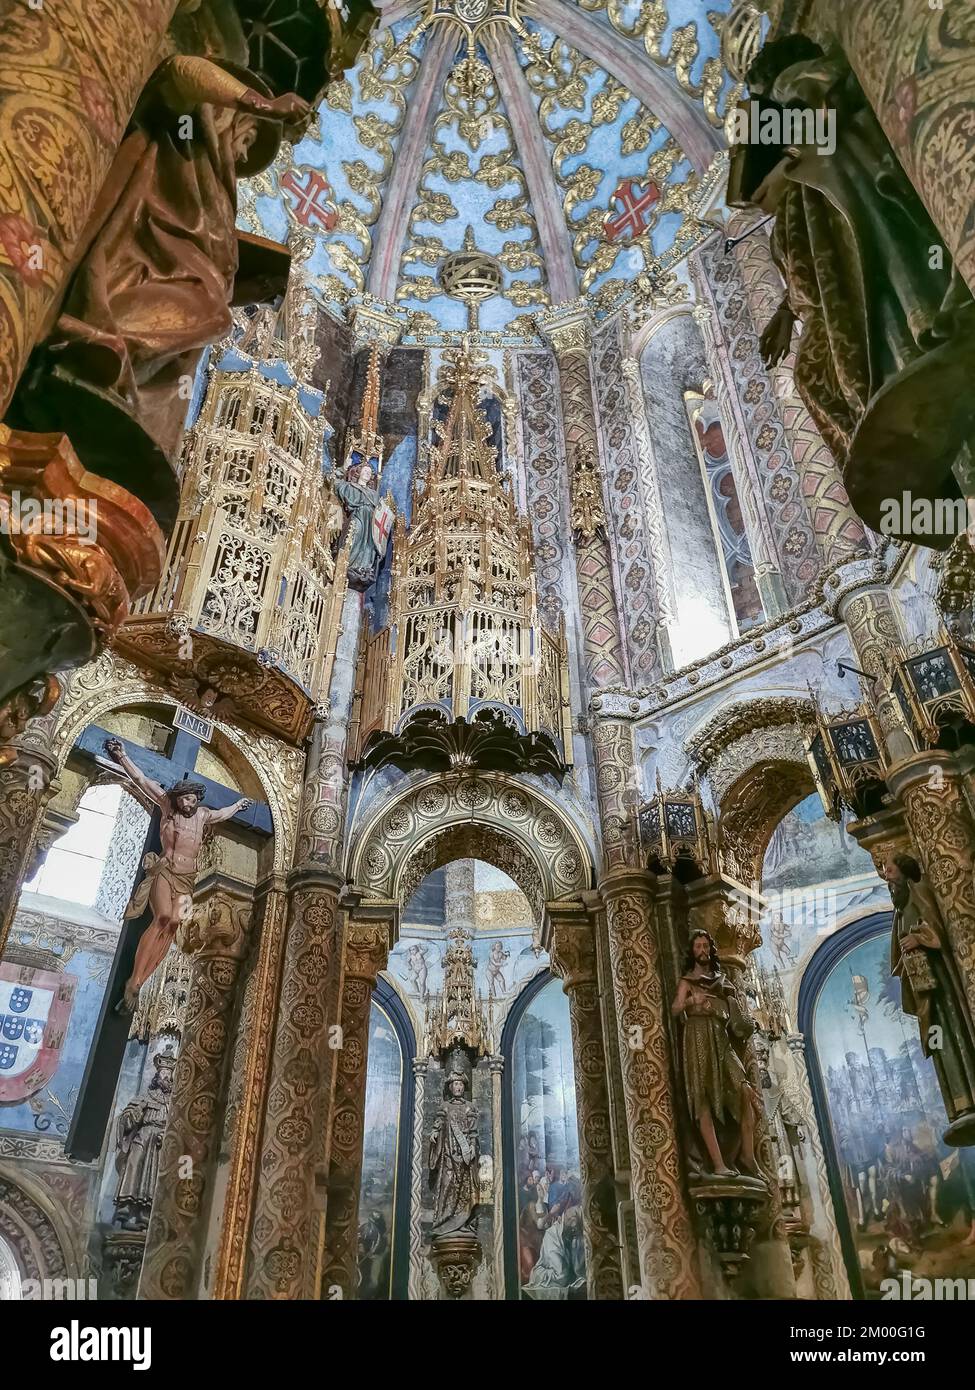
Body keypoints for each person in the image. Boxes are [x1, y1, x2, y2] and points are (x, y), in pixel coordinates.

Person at [105, 737, 251, 1011]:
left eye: (192, 798)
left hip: (188, 880)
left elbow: (223, 814)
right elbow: (141, 780)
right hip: (167, 872)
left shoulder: (203, 816)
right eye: (185, 797)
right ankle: (133, 980)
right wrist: (122, 757)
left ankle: (141, 982)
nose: (188, 802)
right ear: (178, 798)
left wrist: (239, 805)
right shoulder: (167, 809)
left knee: (174, 925)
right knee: (162, 918)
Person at [671, 929, 763, 1176]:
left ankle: (746, 1156)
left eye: (705, 946)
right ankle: (718, 1163)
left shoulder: (723, 981)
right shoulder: (688, 981)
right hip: (697, 1035)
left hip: (721, 1036)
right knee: (702, 1097)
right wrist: (693, 1001)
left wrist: (731, 1001)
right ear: (692, 952)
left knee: (745, 1091)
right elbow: (676, 1008)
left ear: (710, 950)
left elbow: (739, 1018)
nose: (702, 950)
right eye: (698, 946)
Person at [428, 1070, 480, 1236]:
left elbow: (473, 1131)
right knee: (447, 1185)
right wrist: (435, 1132)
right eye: (455, 1084)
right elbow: (439, 1123)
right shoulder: (444, 1107)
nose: (458, 1087)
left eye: (460, 1084)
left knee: (465, 1188)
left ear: (463, 1087)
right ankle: (444, 1222)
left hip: (465, 1157)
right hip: (449, 1155)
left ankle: (463, 1222)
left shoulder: (469, 1107)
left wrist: (472, 1146)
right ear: (450, 1087)